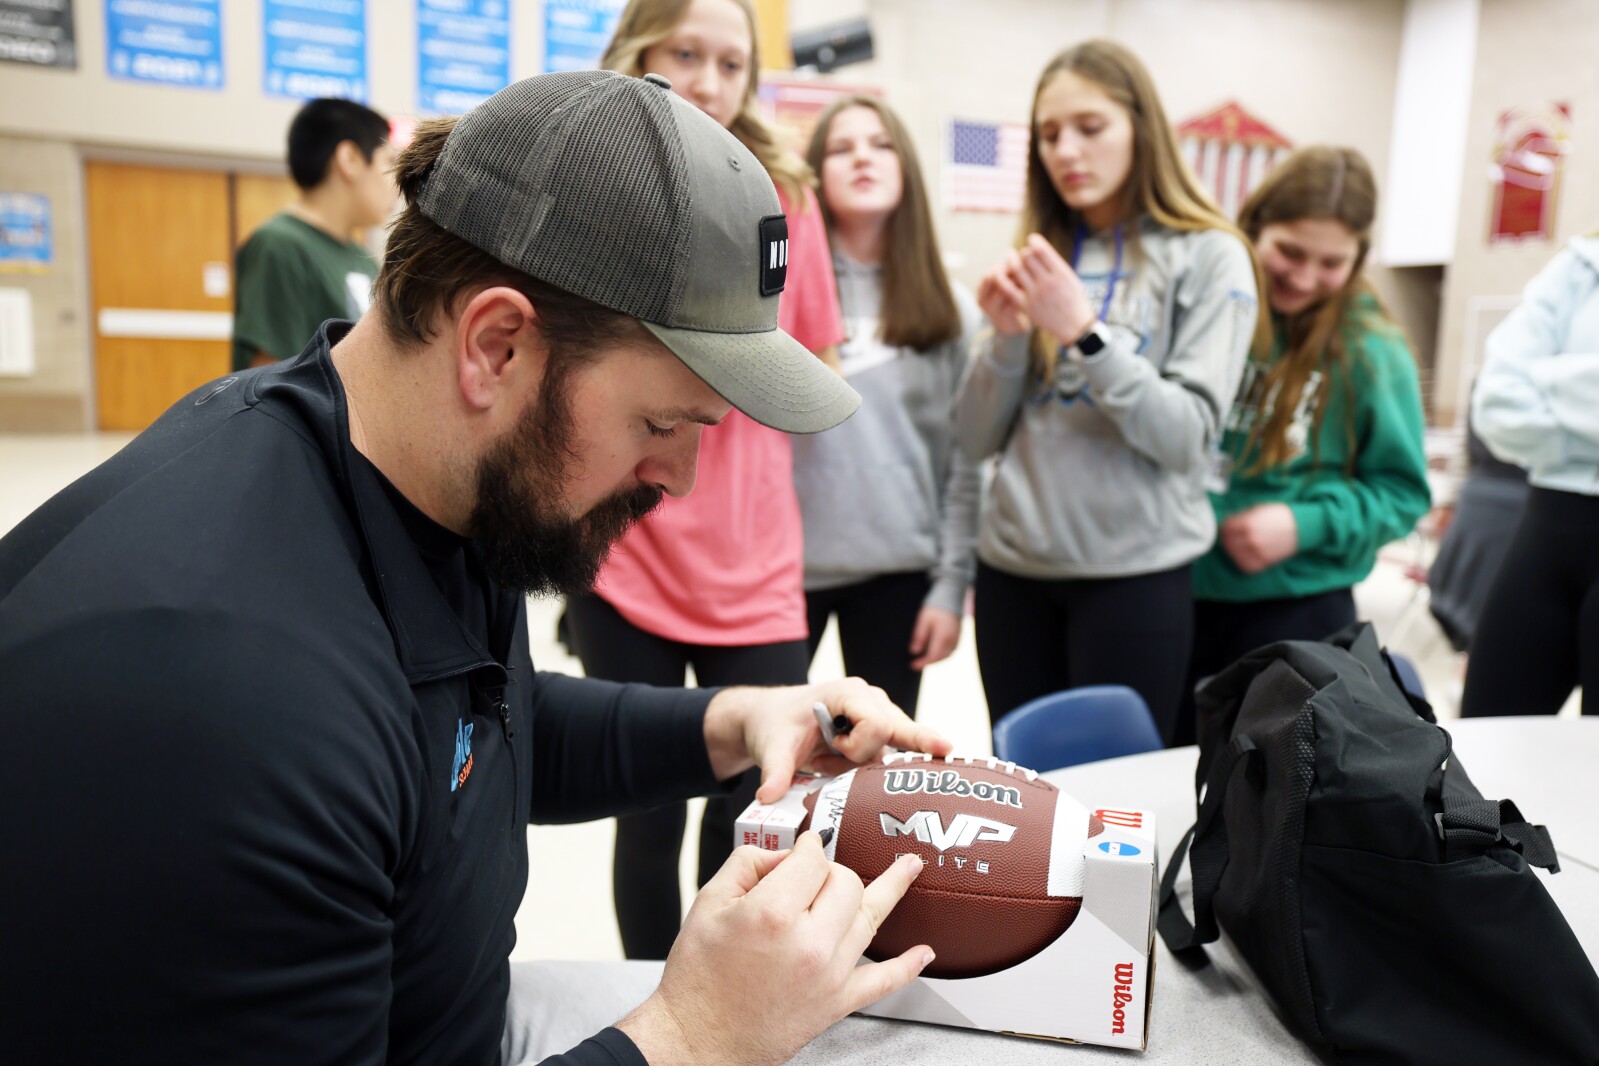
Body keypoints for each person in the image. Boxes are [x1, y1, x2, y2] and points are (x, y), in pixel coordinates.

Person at [0, 70, 948, 1066]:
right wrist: (691, 1034)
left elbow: (481, 729)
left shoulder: (419, 474)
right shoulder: (225, 710)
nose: (680, 475)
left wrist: (743, 719)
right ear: (495, 346)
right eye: (662, 422)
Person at [563, 0, 848, 963]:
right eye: (686, 52)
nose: (710, 80)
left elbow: (806, 367)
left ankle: (719, 985)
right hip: (628, 548)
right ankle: (649, 997)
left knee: (749, 808)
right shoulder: (600, 181)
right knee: (642, 808)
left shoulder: (788, 197)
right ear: (637, 52)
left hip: (753, 558)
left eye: (732, 62)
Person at [954, 39, 1264, 742]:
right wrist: (1006, 340)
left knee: (1112, 811)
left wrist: (1087, 337)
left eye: (1089, 128)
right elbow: (973, 439)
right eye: (1050, 134)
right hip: (1011, 575)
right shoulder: (1039, 249)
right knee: (1025, 798)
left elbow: (1185, 437)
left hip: (1132, 579)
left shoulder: (1209, 255)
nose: (1066, 150)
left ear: (1140, 129)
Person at [1180, 146, 1430, 746]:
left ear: (1359, 259)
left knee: (1274, 792)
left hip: (1297, 605)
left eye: (1331, 263)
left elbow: (1402, 492)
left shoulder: (1370, 347)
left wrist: (1305, 523)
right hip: (1180, 591)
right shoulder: (1214, 309)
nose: (1304, 276)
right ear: (1254, 226)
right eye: (1289, 252)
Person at [791, 95, 981, 716]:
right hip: (786, 571)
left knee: (876, 779)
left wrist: (951, 586)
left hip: (898, 572)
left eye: (879, 144)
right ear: (815, 174)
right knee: (749, 774)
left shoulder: (949, 308)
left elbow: (965, 460)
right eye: (841, 148)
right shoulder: (780, 289)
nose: (862, 159)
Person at [1461, 231, 1599, 717]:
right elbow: (1497, 405)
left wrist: (1550, 382)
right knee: (1481, 751)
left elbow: (1522, 393)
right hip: (1546, 532)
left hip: (1548, 502)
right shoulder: (1579, 267)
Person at [232, 97, 397, 370]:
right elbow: (267, 377)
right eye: (388, 163)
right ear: (350, 159)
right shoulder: (280, 245)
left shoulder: (359, 256)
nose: (396, 181)